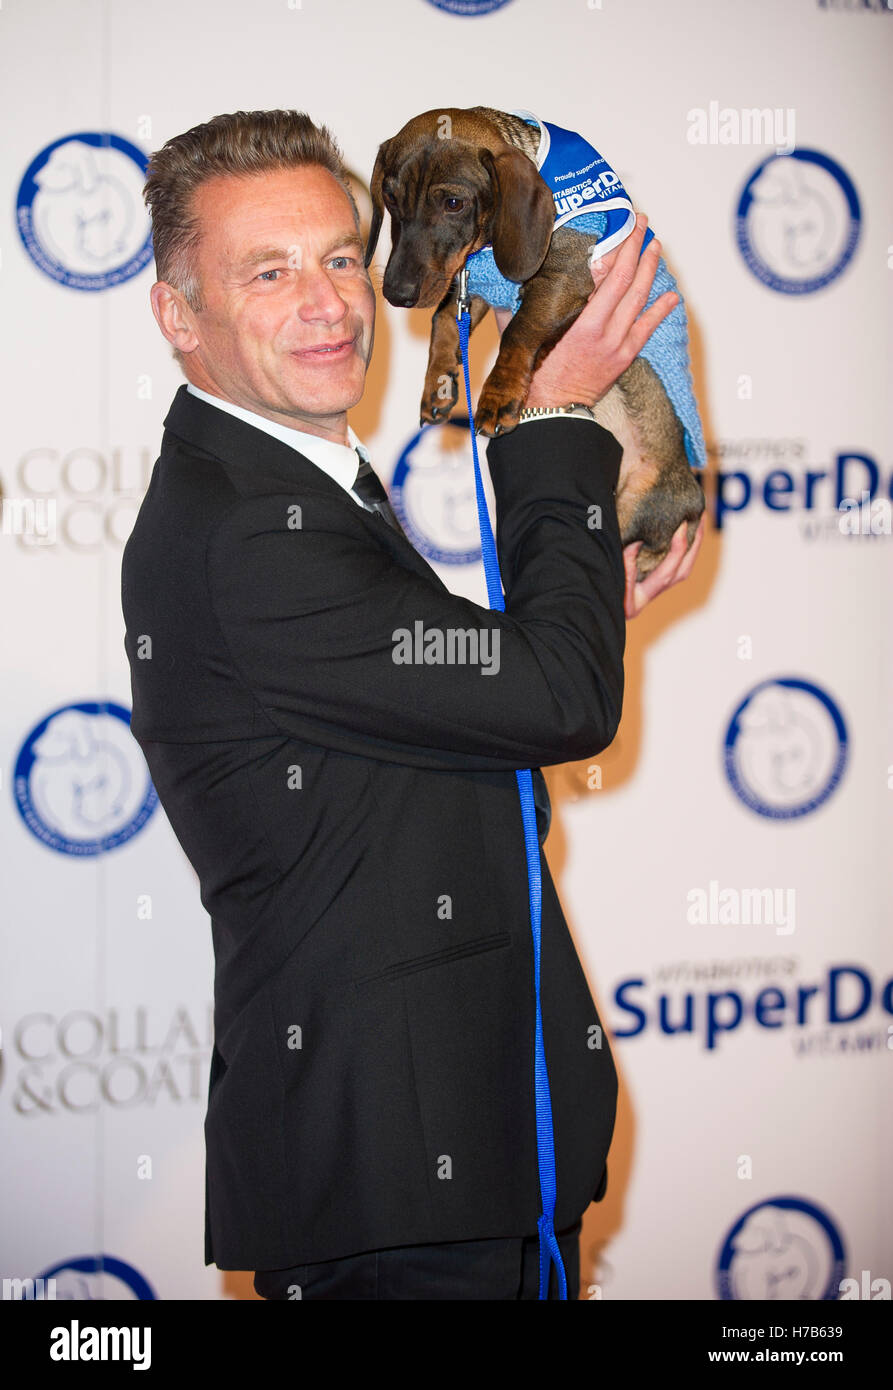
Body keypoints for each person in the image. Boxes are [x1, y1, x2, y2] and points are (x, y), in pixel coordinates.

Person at [121, 109, 703, 1301]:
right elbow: (557, 699)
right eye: (269, 273)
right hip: (394, 1198)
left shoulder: (291, 488)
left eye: (341, 255)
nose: (331, 302)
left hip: (457, 1170)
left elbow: (479, 700)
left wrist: (582, 581)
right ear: (180, 315)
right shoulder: (249, 534)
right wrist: (550, 416)